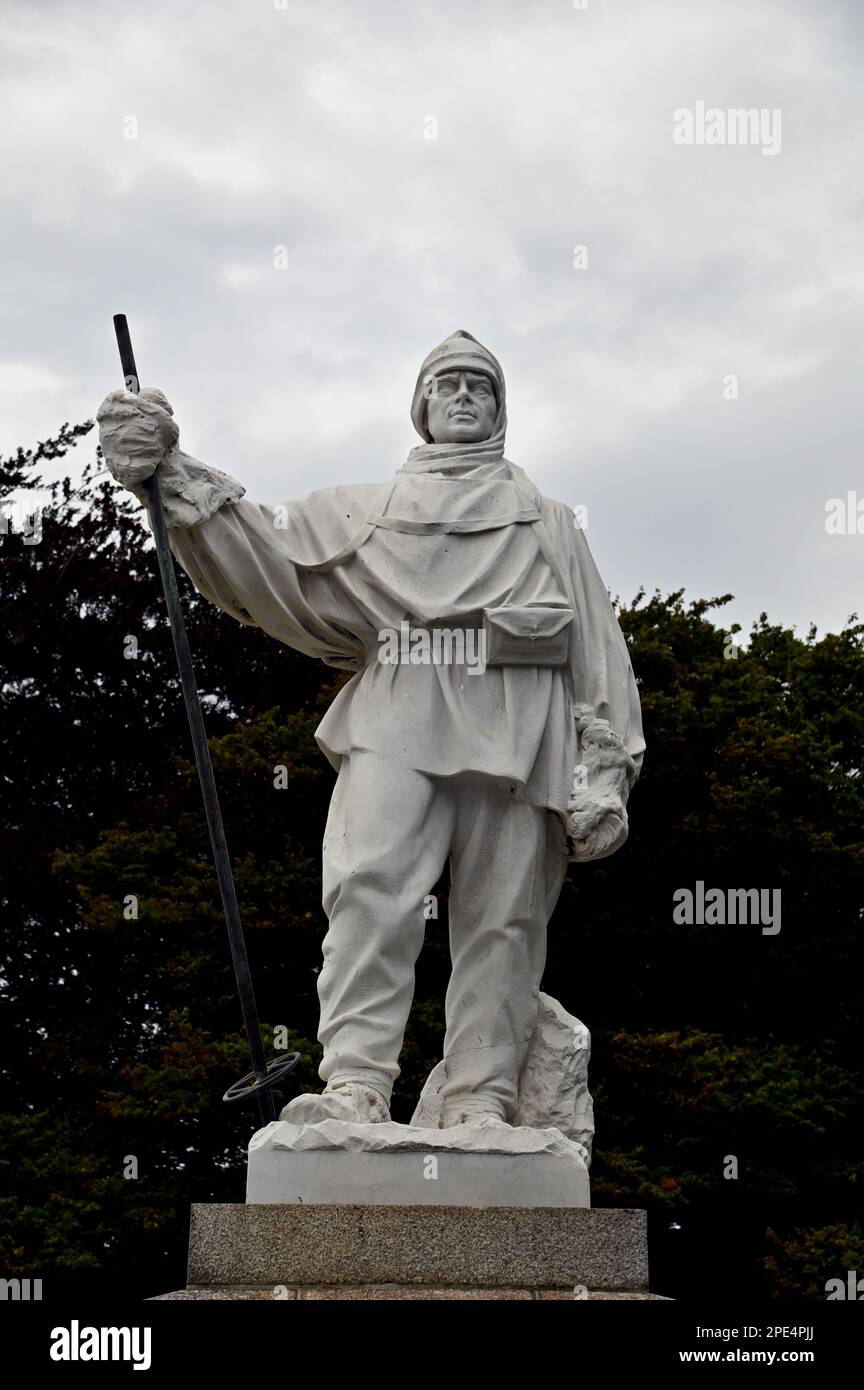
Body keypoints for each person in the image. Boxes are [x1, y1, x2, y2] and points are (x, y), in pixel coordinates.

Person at [97, 329, 645, 1128]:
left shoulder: (549, 523)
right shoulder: (368, 512)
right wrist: (169, 470)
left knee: (505, 920)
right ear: (422, 405)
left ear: (501, 408)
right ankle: (355, 1085)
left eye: (480, 386)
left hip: (521, 725)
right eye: (447, 384)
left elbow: (597, 647)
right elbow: (267, 548)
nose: (464, 396)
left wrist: (607, 766)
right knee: (368, 891)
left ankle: (482, 1099)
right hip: (400, 709)